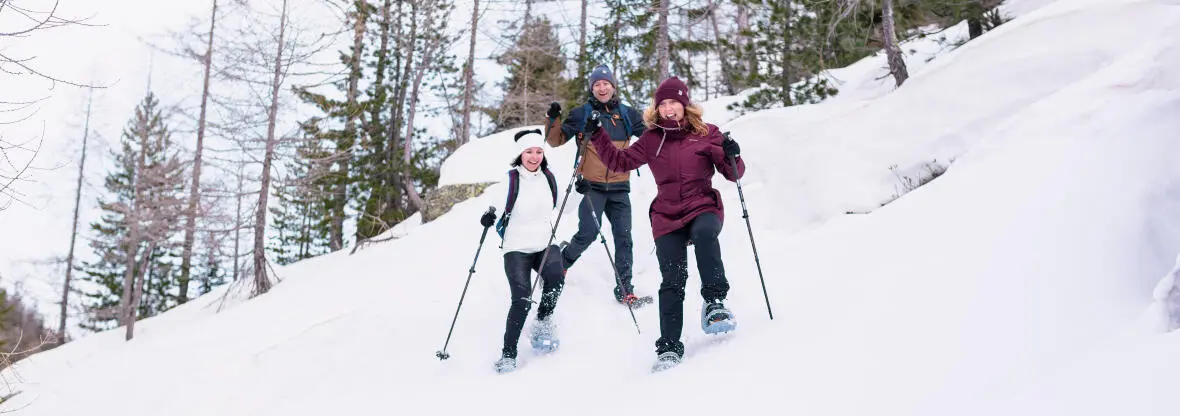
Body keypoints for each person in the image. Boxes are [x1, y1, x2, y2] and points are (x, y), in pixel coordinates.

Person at [586, 76, 745, 371]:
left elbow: (733, 173)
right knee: (672, 279)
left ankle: (714, 303)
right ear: (657, 109)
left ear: (685, 105)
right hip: (667, 214)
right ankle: (669, 346)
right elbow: (620, 162)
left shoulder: (707, 133)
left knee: (706, 234)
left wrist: (732, 152)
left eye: (674, 102)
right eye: (663, 104)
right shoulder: (651, 138)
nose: (669, 109)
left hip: (702, 204)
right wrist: (598, 135)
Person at [544, 63, 648, 306]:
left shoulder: (628, 114)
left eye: (606, 83)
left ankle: (625, 288)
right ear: (592, 88)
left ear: (613, 86)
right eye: (597, 84)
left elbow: (652, 139)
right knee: (588, 233)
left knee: (624, 238)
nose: (602, 88)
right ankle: (561, 263)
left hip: (621, 187)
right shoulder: (582, 113)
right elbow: (556, 140)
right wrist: (553, 118)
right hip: (592, 187)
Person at [479, 129, 566, 374]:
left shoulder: (549, 178)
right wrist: (488, 216)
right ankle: (508, 354)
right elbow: (492, 205)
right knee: (521, 300)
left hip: (545, 241)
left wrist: (580, 189)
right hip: (516, 246)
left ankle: (542, 320)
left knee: (556, 279)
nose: (535, 156)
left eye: (539, 151)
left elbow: (566, 205)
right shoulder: (510, 179)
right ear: (520, 154)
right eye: (529, 151)